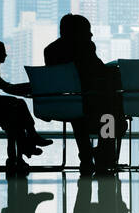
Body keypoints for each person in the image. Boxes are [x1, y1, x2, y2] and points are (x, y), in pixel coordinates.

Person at [44, 13, 126, 176]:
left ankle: (87, 156)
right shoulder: (85, 47)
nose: (91, 34)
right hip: (91, 103)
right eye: (87, 30)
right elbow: (97, 71)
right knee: (109, 112)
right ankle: (104, 152)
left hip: (64, 102)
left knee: (79, 112)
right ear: (78, 33)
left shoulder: (51, 50)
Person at [0, 39, 52, 175]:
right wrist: (33, 86)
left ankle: (23, 151)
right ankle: (29, 141)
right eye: (2, 52)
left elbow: (6, 89)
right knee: (18, 106)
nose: (5, 55)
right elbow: (8, 88)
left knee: (14, 120)